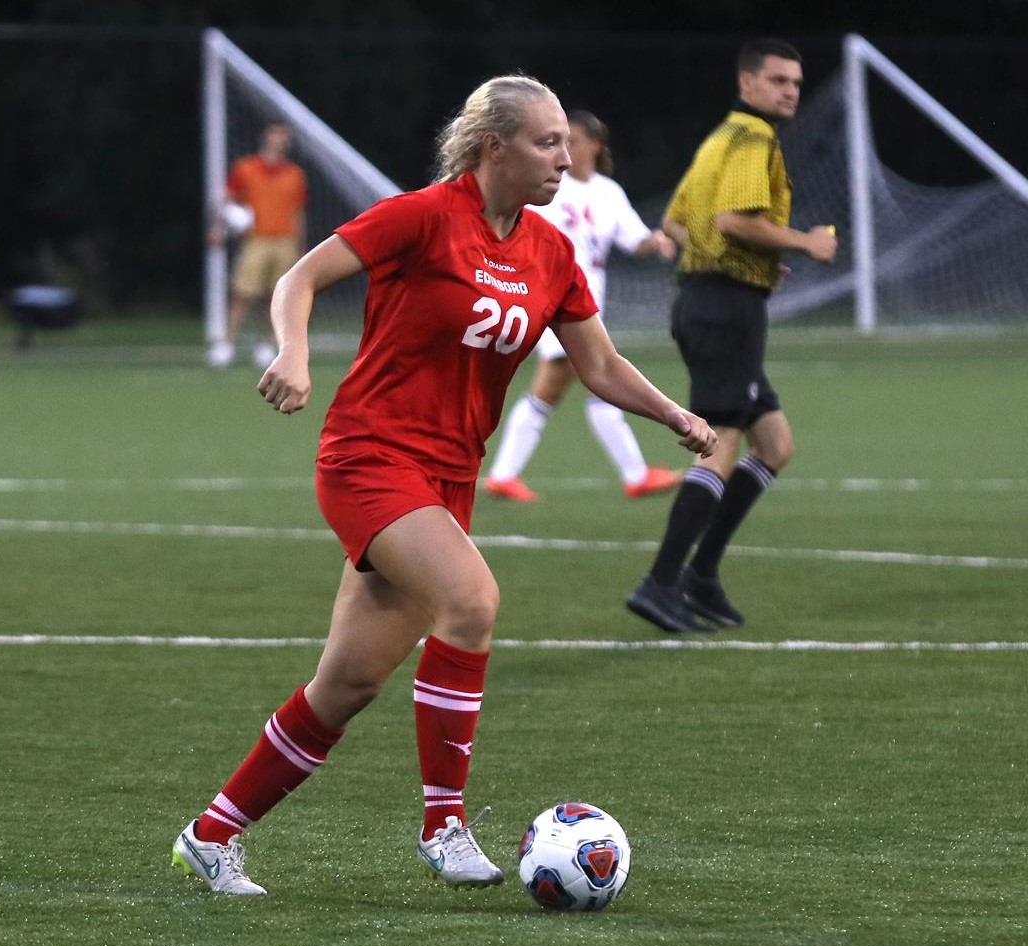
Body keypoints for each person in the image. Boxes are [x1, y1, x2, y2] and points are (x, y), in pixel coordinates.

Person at [172, 74, 717, 896]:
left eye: (565, 143)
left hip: (448, 476)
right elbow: (298, 279)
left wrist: (674, 415)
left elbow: (599, 365)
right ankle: (444, 825)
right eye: (546, 142)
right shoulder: (423, 216)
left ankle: (211, 835)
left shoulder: (549, 251)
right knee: (473, 600)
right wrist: (293, 352)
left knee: (349, 683)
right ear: (495, 147)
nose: (564, 158)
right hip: (370, 456)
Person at [625, 38, 838, 634]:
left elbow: (676, 222)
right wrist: (804, 242)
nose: (790, 91)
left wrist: (752, 258)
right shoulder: (754, 138)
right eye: (778, 80)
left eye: (795, 83)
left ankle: (701, 574)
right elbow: (732, 220)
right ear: (747, 83)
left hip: (712, 302)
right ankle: (660, 581)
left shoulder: (719, 139)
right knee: (719, 443)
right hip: (725, 308)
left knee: (773, 445)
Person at [484, 109, 682, 503]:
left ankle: (504, 475)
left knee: (564, 387)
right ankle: (635, 475)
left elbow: (634, 240)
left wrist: (657, 241)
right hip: (550, 299)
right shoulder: (546, 186)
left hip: (586, 303)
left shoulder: (608, 192)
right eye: (556, 141)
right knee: (595, 380)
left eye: (571, 140)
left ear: (595, 145)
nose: (564, 149)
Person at [207, 121, 307, 370]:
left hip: (285, 240)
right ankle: (226, 345)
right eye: (276, 134)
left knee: (278, 297)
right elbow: (226, 198)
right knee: (242, 293)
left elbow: (298, 212)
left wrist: (300, 246)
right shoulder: (246, 168)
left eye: (284, 136)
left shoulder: (295, 174)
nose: (280, 140)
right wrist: (218, 226)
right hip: (256, 239)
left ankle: (266, 345)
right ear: (266, 136)